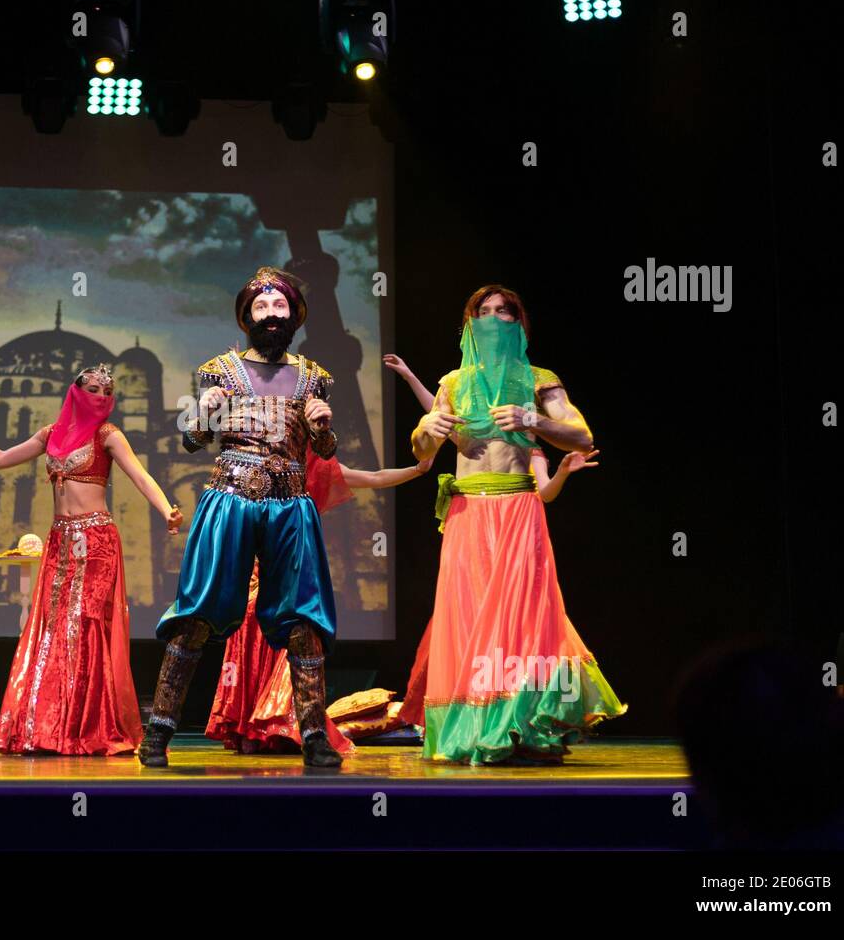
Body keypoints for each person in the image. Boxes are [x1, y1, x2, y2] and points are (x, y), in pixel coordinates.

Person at [407, 285, 626, 764]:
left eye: (502, 313)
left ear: (518, 324)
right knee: (467, 619)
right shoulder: (454, 383)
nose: (492, 320)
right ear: (470, 326)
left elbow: (581, 434)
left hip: (518, 512)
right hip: (467, 515)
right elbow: (422, 452)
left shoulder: (538, 379)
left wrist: (532, 418)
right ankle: (472, 730)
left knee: (522, 619)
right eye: (482, 313)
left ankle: (524, 726)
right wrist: (428, 431)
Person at [138, 265, 343, 768]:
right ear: (246, 317)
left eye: (280, 308)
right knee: (197, 615)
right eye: (261, 308)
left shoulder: (315, 376)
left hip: (291, 503)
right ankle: (158, 734)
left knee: (302, 621)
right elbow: (190, 440)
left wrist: (325, 429)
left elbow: (325, 449)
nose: (272, 316)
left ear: (293, 315)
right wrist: (202, 413)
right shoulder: (218, 370)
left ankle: (314, 736)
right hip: (229, 497)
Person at [207, 354, 435, 754]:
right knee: (248, 644)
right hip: (251, 573)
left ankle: (282, 721)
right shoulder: (248, 460)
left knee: (289, 642)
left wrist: (417, 471)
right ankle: (250, 726)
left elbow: (375, 478)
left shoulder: (316, 467)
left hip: (288, 565)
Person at [0, 364, 183, 755]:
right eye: (91, 388)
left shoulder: (108, 435)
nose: (98, 395)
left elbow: (140, 476)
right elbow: (1, 459)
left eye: (105, 391)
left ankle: (85, 726)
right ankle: (48, 726)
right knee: (55, 630)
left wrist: (167, 511)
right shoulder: (51, 435)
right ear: (74, 391)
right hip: (60, 541)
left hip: (95, 541)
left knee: (86, 626)